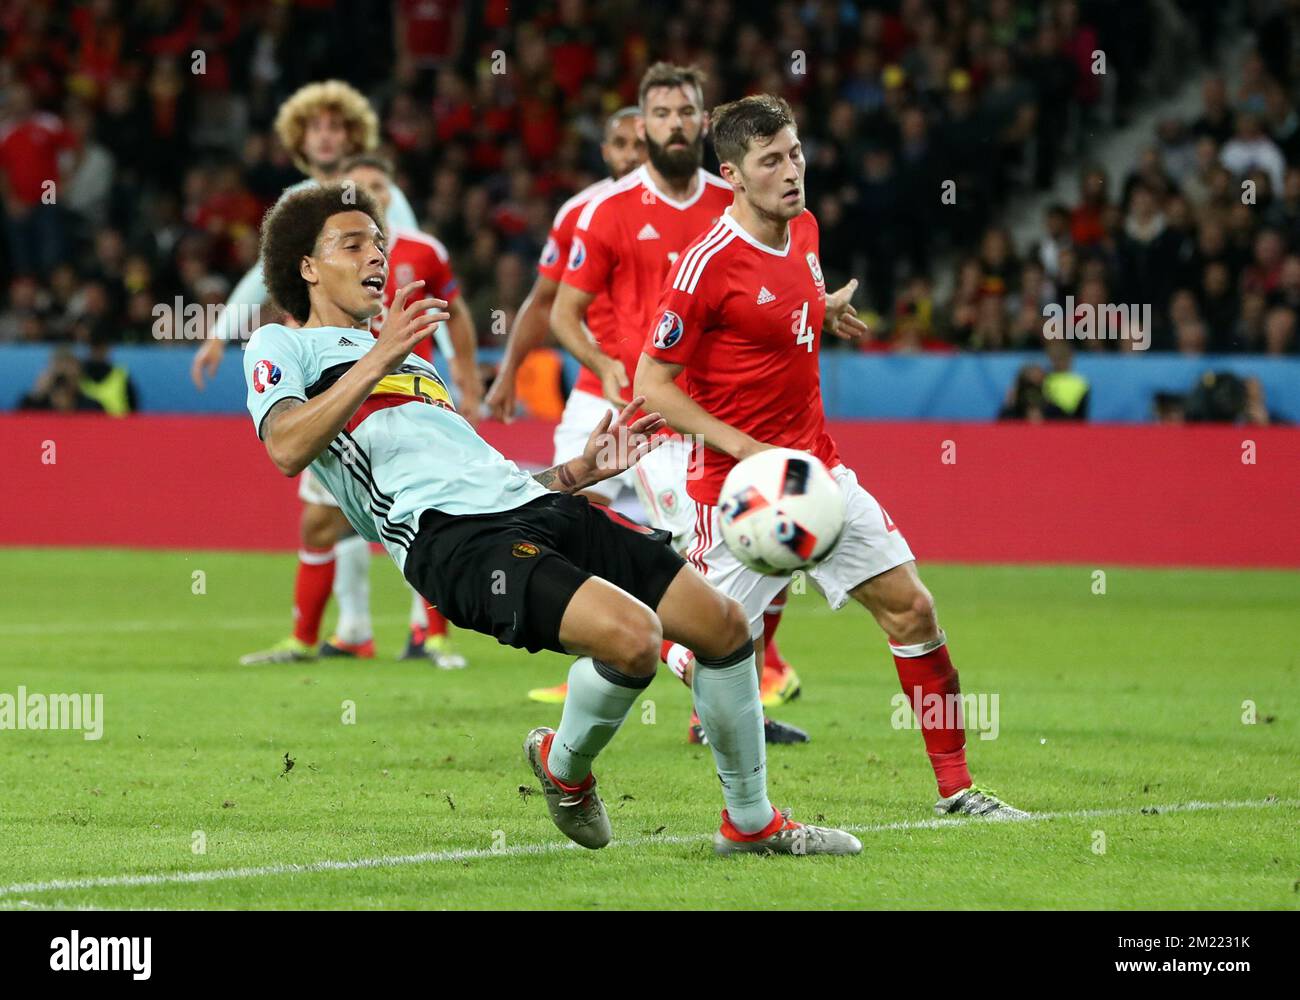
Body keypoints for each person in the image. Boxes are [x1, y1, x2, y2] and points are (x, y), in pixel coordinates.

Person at [243, 181, 860, 855]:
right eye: (352, 243)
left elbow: (476, 474)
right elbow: (285, 447)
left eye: (379, 243)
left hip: (529, 503)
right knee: (634, 639)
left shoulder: (413, 361)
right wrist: (379, 356)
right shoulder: (282, 344)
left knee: (723, 626)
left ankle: (750, 824)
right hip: (453, 543)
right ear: (306, 265)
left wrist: (576, 473)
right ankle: (566, 772)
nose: (376, 256)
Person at [635, 94, 1026, 819]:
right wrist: (748, 450)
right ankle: (668, 645)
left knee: (912, 609)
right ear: (731, 175)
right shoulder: (701, 268)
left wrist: (819, 310)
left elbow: (779, 305)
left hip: (818, 471)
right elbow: (652, 386)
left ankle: (958, 791)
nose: (792, 172)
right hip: (735, 493)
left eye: (796, 154)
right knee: (710, 648)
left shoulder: (804, 229)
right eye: (772, 161)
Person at [527, 64, 807, 738]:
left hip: (701, 415)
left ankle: (720, 693)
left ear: (704, 122)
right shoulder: (607, 210)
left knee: (750, 548)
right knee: (583, 528)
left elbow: (774, 283)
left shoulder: (735, 200)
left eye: (686, 112)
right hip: (627, 414)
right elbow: (565, 312)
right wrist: (604, 365)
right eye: (661, 114)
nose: (675, 124)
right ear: (642, 125)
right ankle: (632, 663)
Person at [240, 153, 477, 667]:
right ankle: (340, 634)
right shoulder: (323, 268)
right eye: (358, 186)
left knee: (429, 512)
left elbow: (455, 314)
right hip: (336, 404)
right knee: (326, 523)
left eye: (377, 186)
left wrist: (467, 378)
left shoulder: (421, 252)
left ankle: (431, 634)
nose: (369, 194)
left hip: (409, 400)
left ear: (391, 194)